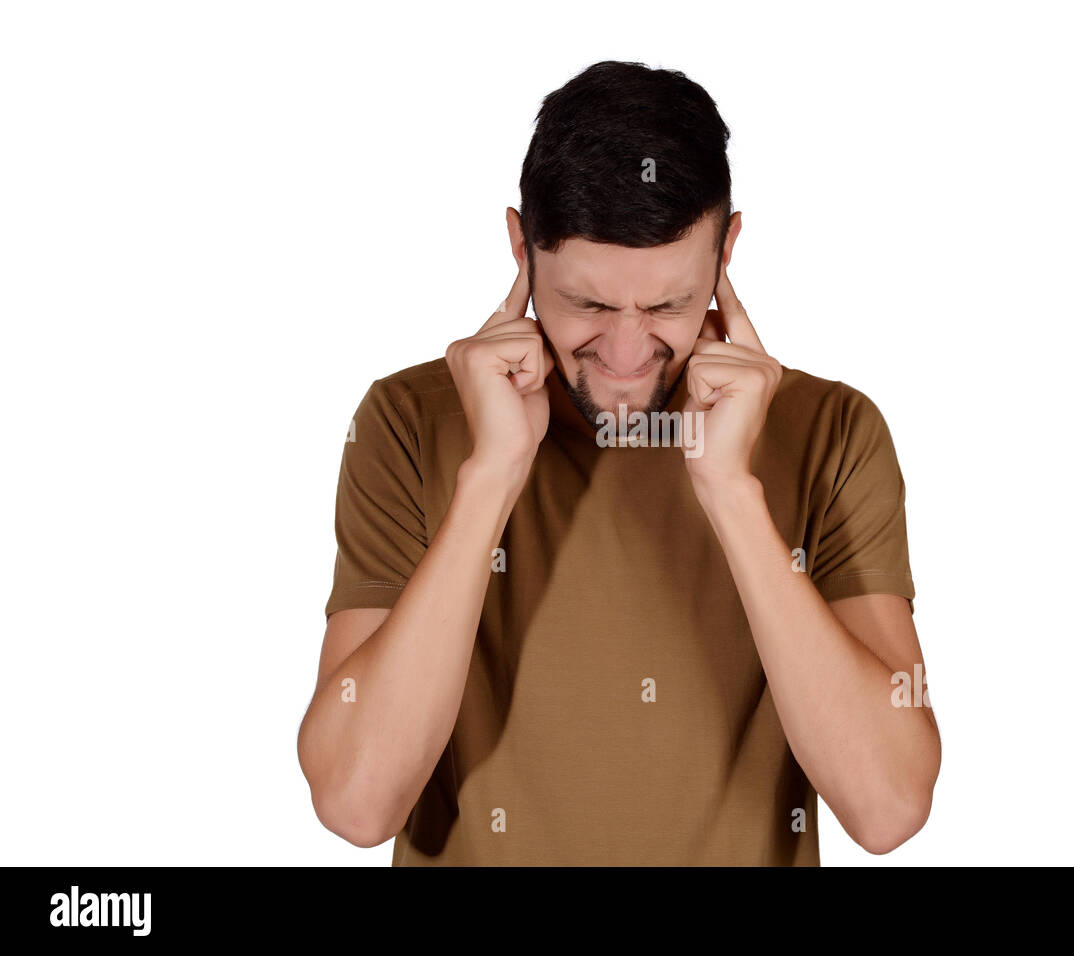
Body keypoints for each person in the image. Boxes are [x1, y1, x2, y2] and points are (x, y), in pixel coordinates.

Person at [297, 60, 941, 866]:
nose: (628, 355)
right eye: (590, 305)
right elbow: (357, 803)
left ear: (727, 251)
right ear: (519, 249)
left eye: (668, 304)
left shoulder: (831, 429)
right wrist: (491, 474)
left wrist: (733, 493)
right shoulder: (407, 421)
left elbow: (887, 809)